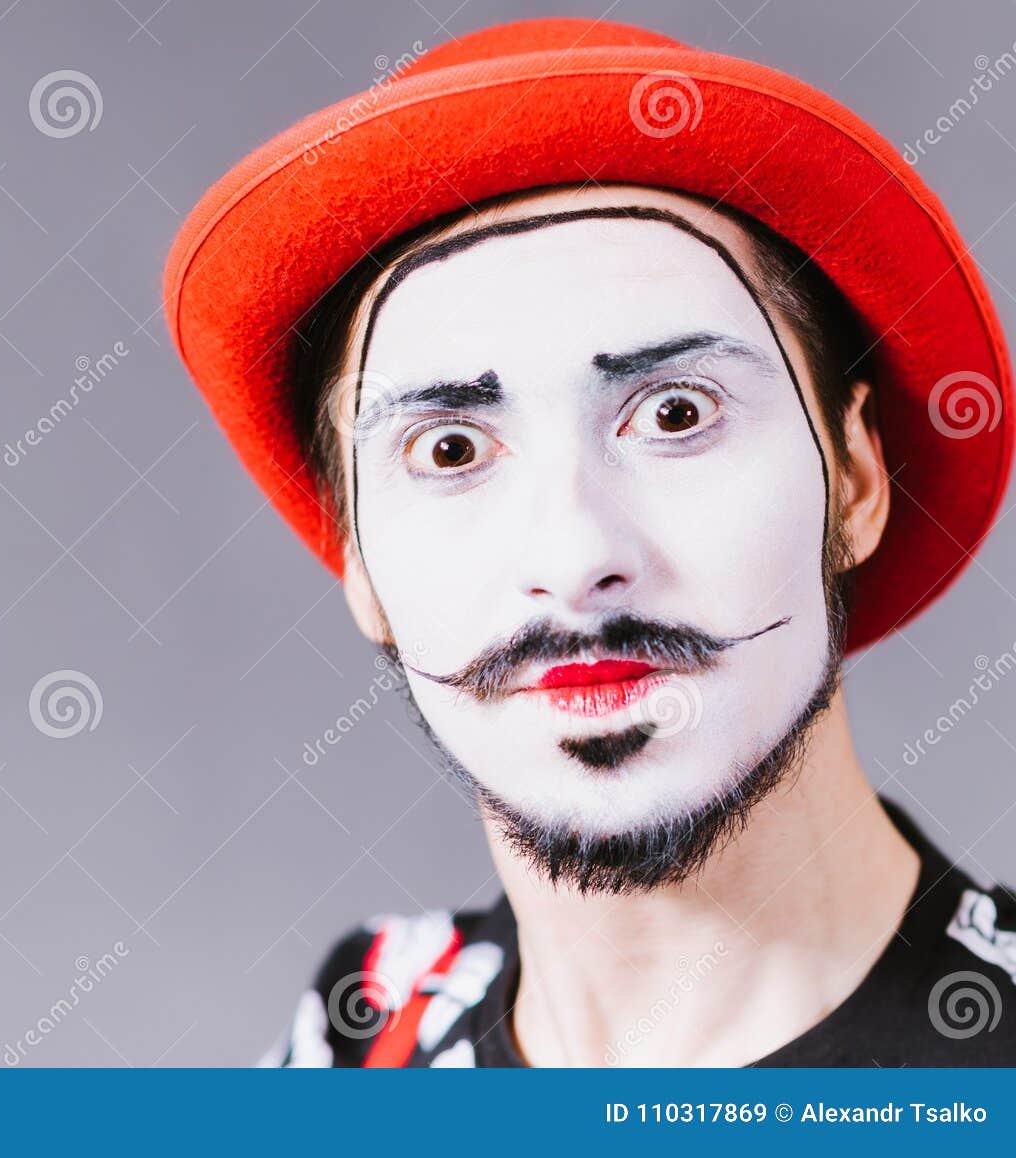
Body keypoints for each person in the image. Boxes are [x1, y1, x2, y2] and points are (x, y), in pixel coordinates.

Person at [163, 17, 1016, 1066]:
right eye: (449, 447)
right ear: (360, 568)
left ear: (853, 480)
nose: (572, 558)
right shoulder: (365, 1032)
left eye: (673, 415)